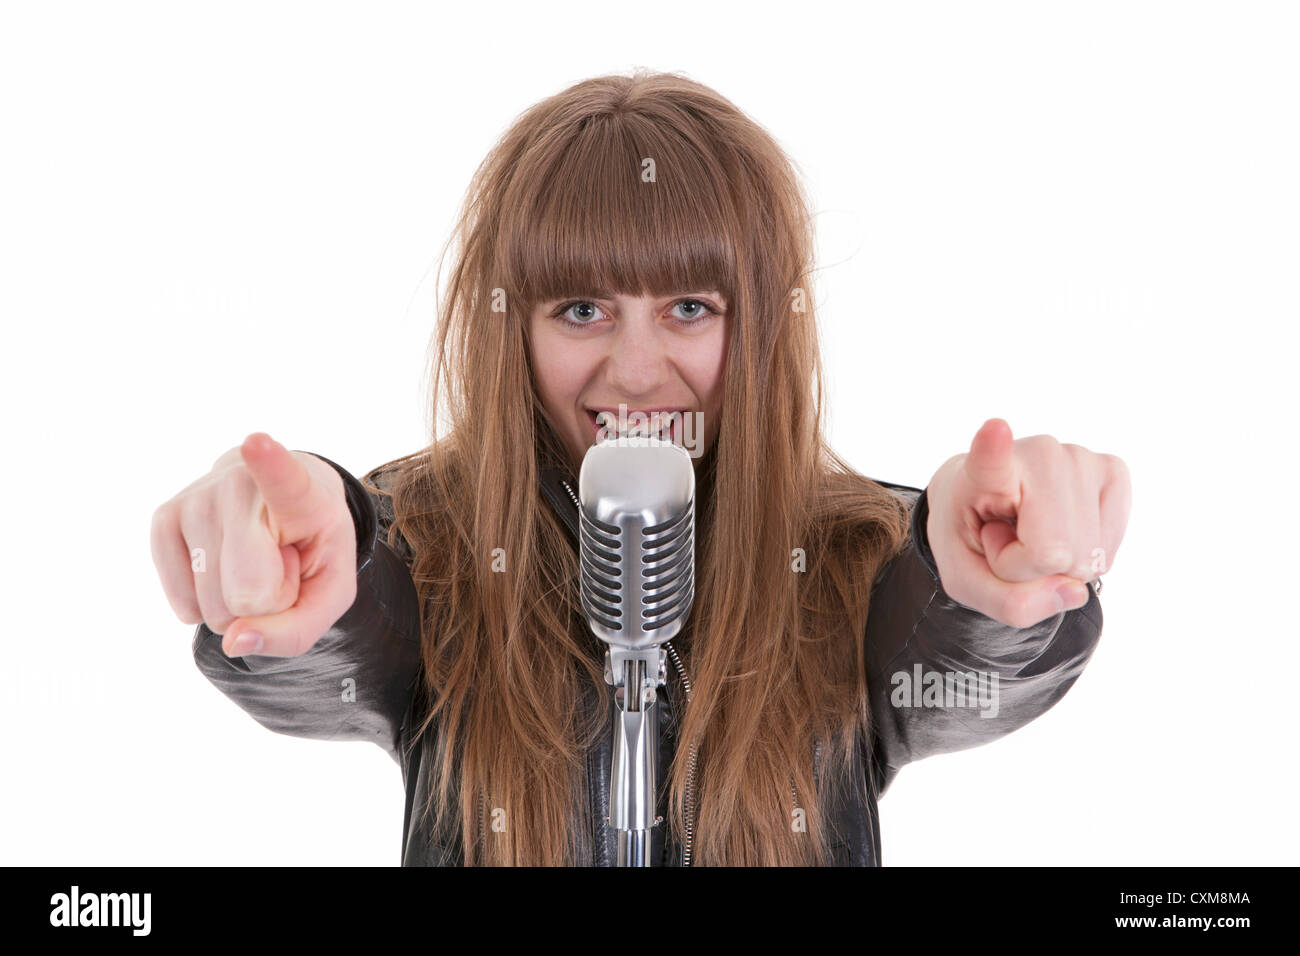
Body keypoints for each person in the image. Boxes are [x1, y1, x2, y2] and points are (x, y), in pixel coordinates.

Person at [151, 70, 1130, 866]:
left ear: (761, 327)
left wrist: (997, 587)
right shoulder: (435, 557)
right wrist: (308, 581)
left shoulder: (850, 563)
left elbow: (960, 656)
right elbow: (338, 643)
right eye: (581, 309)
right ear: (512, 331)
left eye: (689, 308)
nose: (633, 367)